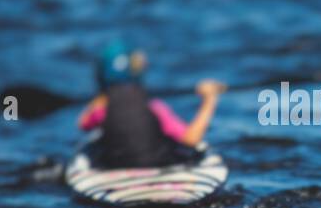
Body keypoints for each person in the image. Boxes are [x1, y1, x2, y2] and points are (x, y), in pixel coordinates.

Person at [78, 40, 226, 168]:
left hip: (116, 166)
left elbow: (83, 124)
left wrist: (103, 96)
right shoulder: (154, 108)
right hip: (159, 165)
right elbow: (191, 139)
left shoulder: (100, 110)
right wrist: (209, 100)